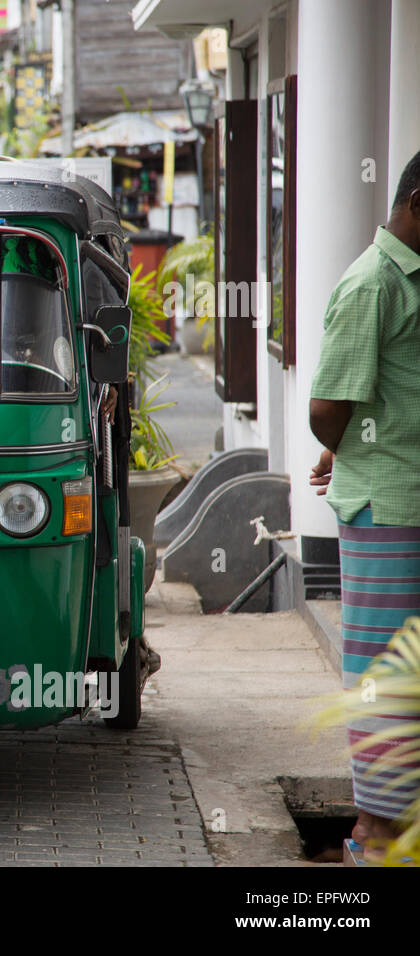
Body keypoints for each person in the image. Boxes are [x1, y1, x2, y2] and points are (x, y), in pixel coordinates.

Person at [308, 148, 420, 861]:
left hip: (402, 495)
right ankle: (374, 835)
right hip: (387, 508)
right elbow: (328, 406)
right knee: (385, 678)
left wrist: (340, 445)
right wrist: (340, 445)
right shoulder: (373, 283)